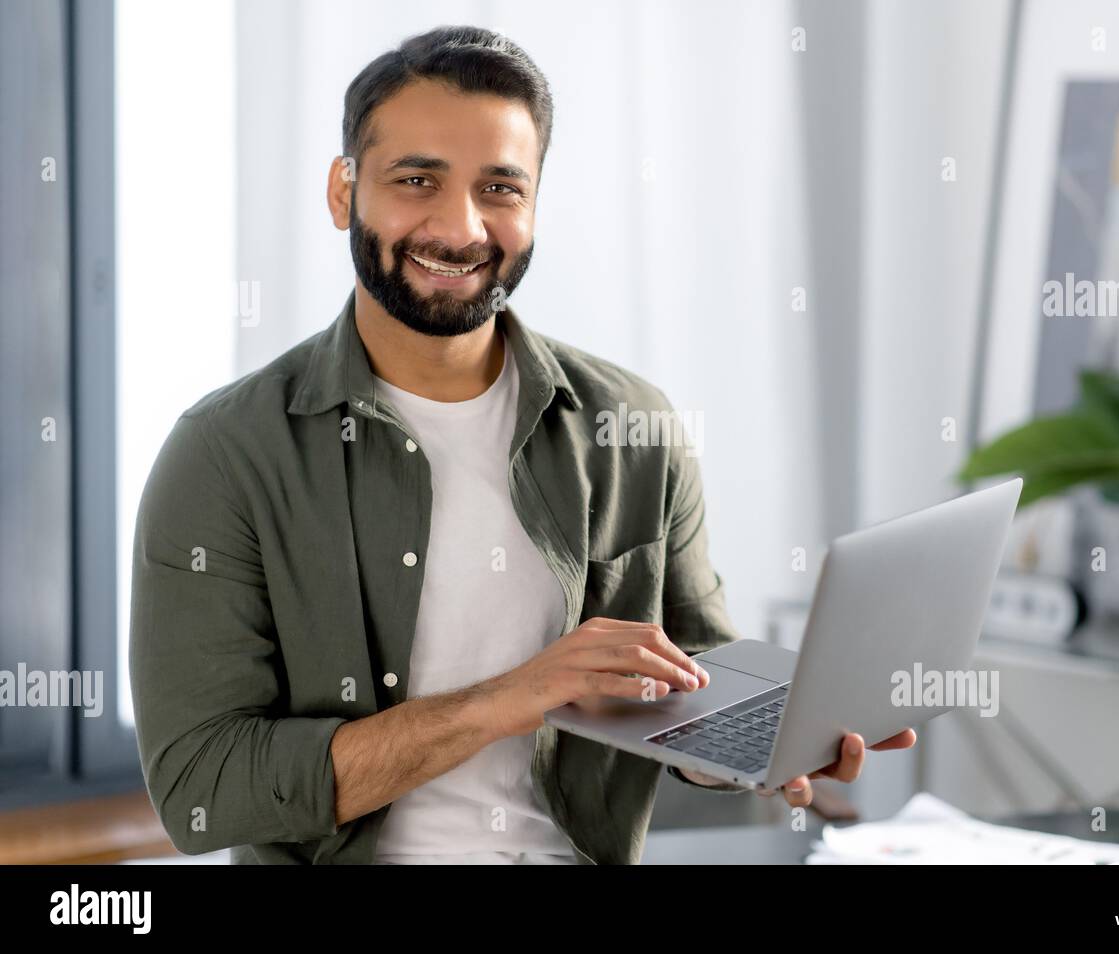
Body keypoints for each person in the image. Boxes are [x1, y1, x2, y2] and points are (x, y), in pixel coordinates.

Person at [130, 24, 915, 865]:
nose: (460, 227)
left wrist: (764, 746)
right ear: (342, 192)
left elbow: (690, 675)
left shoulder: (632, 428)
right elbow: (203, 789)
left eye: (500, 187)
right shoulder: (226, 455)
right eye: (417, 179)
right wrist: (516, 696)